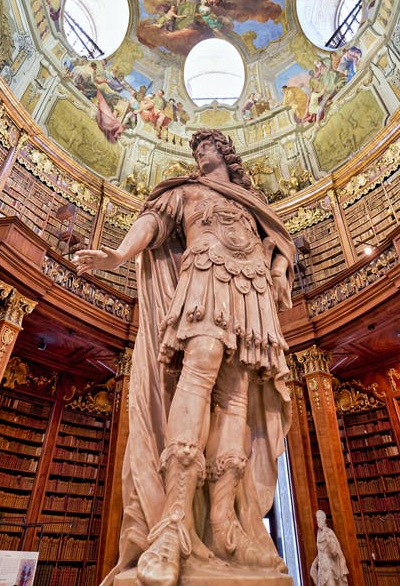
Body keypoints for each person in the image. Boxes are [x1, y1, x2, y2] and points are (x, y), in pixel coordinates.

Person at [75, 129, 294, 586]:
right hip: (205, 275)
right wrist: (118, 254)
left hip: (249, 287)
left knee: (236, 396)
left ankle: (224, 526)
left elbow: (279, 242)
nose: (199, 153)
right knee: (199, 368)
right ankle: (173, 522)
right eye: (196, 150)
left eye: (207, 147)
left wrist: (277, 271)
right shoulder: (185, 191)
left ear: (225, 153)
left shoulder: (248, 201)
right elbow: (153, 224)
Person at [310, 509, 349, 586]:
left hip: (329, 567)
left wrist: (328, 540)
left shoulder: (329, 532)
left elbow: (334, 551)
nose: (318, 522)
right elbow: (321, 551)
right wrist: (315, 562)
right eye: (317, 520)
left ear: (324, 519)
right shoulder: (319, 533)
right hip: (321, 567)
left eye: (320, 519)